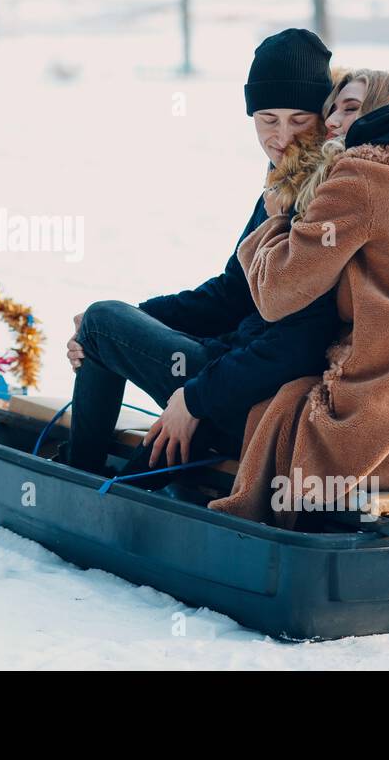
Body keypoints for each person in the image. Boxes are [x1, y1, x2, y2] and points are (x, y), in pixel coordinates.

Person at [208, 69, 389, 526]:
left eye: (350, 109)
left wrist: (273, 222)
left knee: (270, 406)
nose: (331, 122)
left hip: (383, 440)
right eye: (332, 109)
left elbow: (275, 294)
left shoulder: (360, 175)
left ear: (384, 110)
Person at [64, 28, 343, 483]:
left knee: (101, 319)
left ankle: (80, 476)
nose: (283, 136)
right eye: (268, 119)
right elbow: (233, 292)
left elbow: (301, 341)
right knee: (106, 326)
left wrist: (197, 397)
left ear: (323, 117)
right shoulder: (281, 183)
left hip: (257, 399)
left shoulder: (323, 198)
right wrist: (143, 319)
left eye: (299, 119)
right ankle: (95, 489)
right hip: (236, 373)